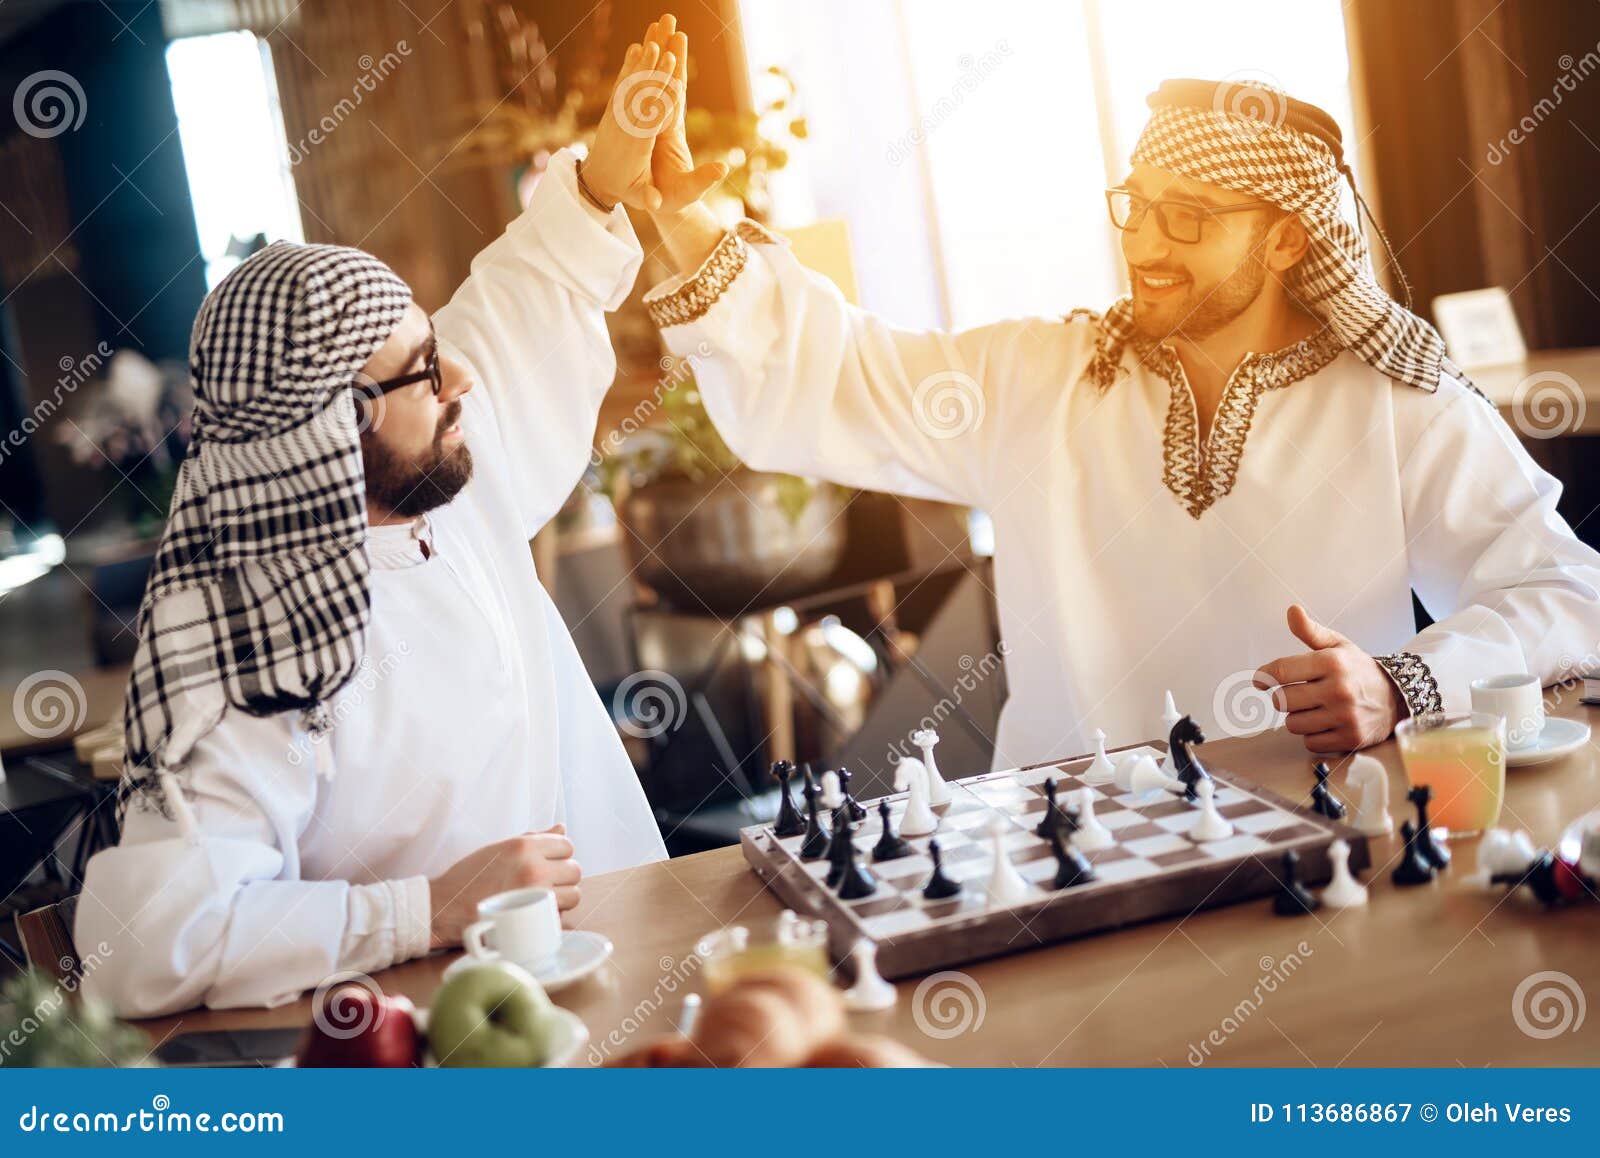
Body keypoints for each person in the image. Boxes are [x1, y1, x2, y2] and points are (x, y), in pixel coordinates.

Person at [638, 73, 1600, 768]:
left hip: (1327, 838)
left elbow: (1569, 593)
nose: (1144, 240)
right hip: (1074, 855)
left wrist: (1404, 683)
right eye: (1135, 206)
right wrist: (688, 228)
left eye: (1189, 217)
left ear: (1285, 237)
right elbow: (839, 376)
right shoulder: (1041, 377)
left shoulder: (1397, 401)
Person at [75, 17, 725, 1017]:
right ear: (333, 431)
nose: (458, 376)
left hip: (615, 973)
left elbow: (514, 305)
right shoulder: (250, 637)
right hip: (421, 1049)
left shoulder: (440, 483)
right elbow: (149, 945)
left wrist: (599, 179)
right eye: (422, 368)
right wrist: (425, 910)